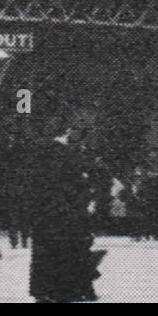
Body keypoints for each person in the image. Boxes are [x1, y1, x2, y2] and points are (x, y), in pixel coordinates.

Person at [26, 120, 103, 303]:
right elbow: (73, 185)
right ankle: (65, 291)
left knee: (43, 254)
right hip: (64, 214)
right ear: (67, 132)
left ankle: (41, 291)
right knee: (66, 253)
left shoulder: (38, 154)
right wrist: (84, 200)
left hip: (43, 215)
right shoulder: (65, 155)